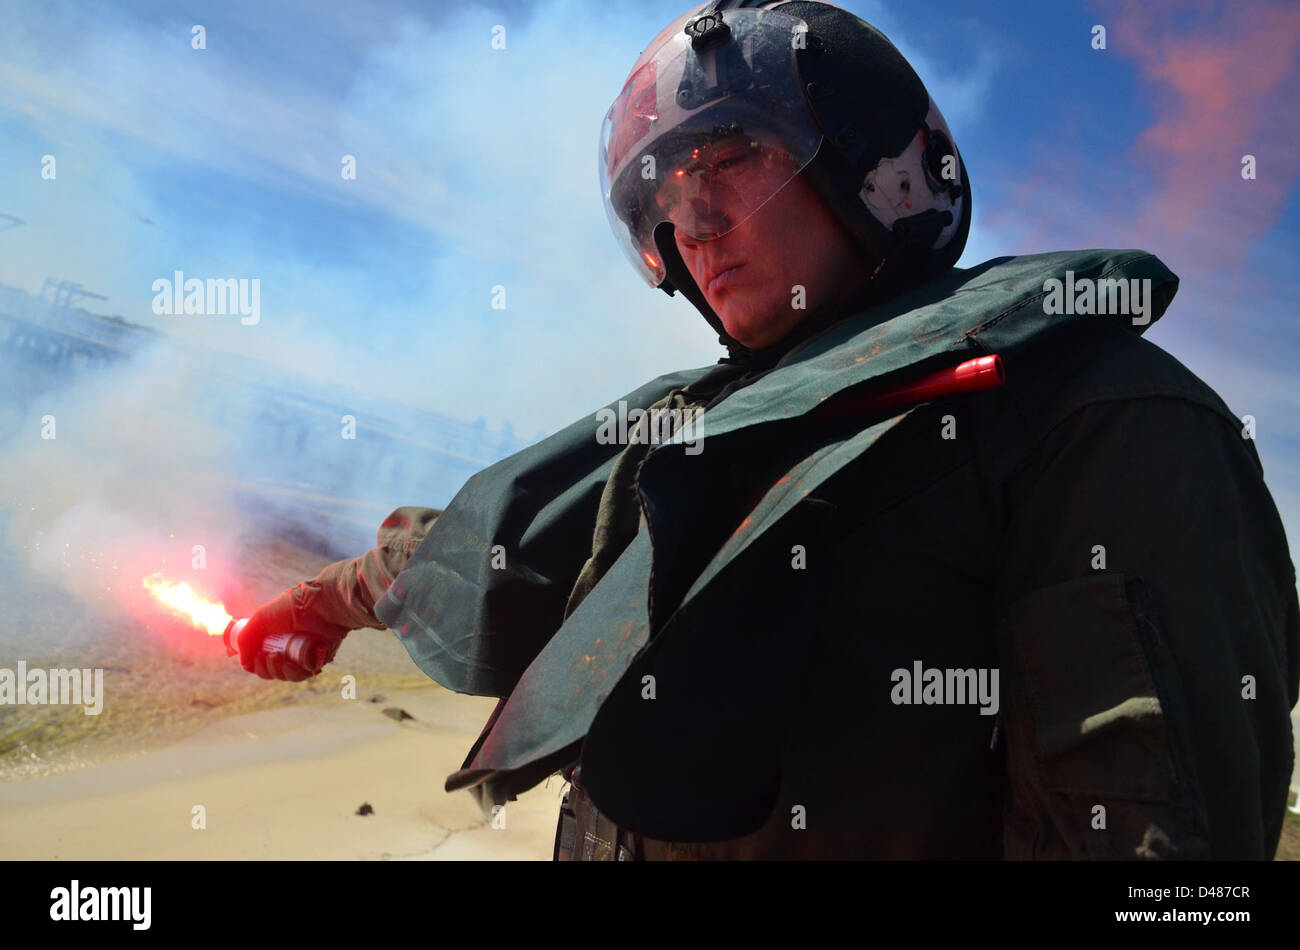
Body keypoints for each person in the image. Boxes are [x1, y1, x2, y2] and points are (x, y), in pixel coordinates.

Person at [237, 0, 1300, 860]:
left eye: (730, 157)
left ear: (870, 158)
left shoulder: (1094, 416)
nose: (688, 222)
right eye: (662, 190)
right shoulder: (697, 423)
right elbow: (490, 551)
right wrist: (324, 601)